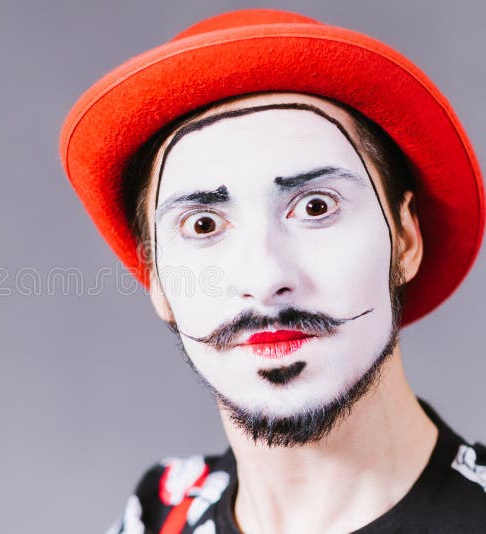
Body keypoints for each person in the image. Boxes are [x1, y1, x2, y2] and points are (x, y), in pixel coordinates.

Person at [59, 8, 486, 534]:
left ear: (405, 240)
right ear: (158, 283)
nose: (264, 279)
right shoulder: (159, 513)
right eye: (204, 223)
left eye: (315, 207)